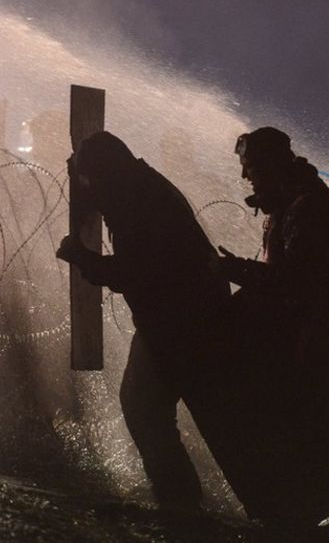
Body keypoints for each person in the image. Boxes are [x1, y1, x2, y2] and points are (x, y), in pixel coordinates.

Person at [219, 127, 329, 542]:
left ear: (274, 164)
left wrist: (237, 270)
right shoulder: (292, 203)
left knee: (322, 430)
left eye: (252, 167)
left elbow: (294, 282)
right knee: (314, 428)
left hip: (322, 337)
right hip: (313, 335)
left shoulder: (306, 207)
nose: (246, 178)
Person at [56, 131, 230, 513]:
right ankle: (184, 500)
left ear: (105, 172)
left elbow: (132, 272)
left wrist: (81, 257)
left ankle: (183, 504)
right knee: (153, 406)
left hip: (180, 320)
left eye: (92, 177)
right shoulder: (138, 186)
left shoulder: (137, 200)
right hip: (180, 315)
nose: (90, 187)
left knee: (147, 407)